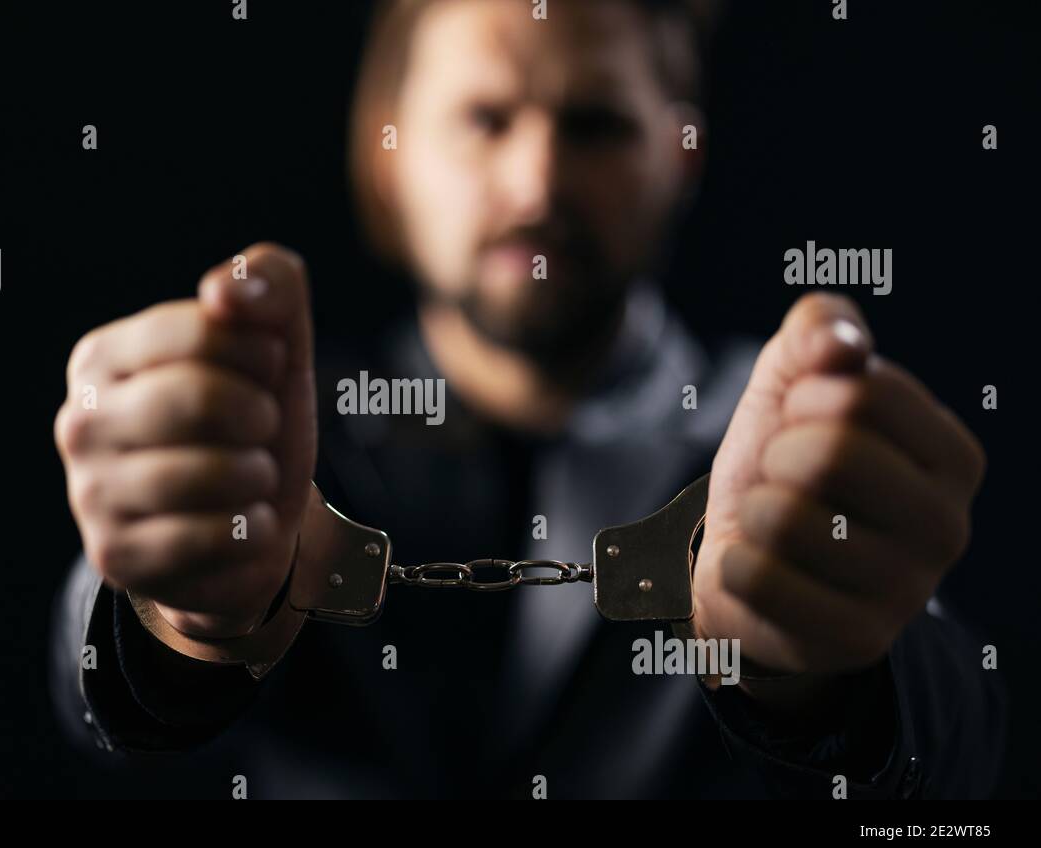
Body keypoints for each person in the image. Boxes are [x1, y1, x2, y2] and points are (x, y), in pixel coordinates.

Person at [49, 0, 1002, 798]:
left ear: (680, 158)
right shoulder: (279, 440)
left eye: (595, 123)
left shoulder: (786, 440)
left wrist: (831, 672)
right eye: (484, 119)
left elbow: (955, 741)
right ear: (387, 155)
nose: (537, 182)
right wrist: (176, 621)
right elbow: (95, 701)